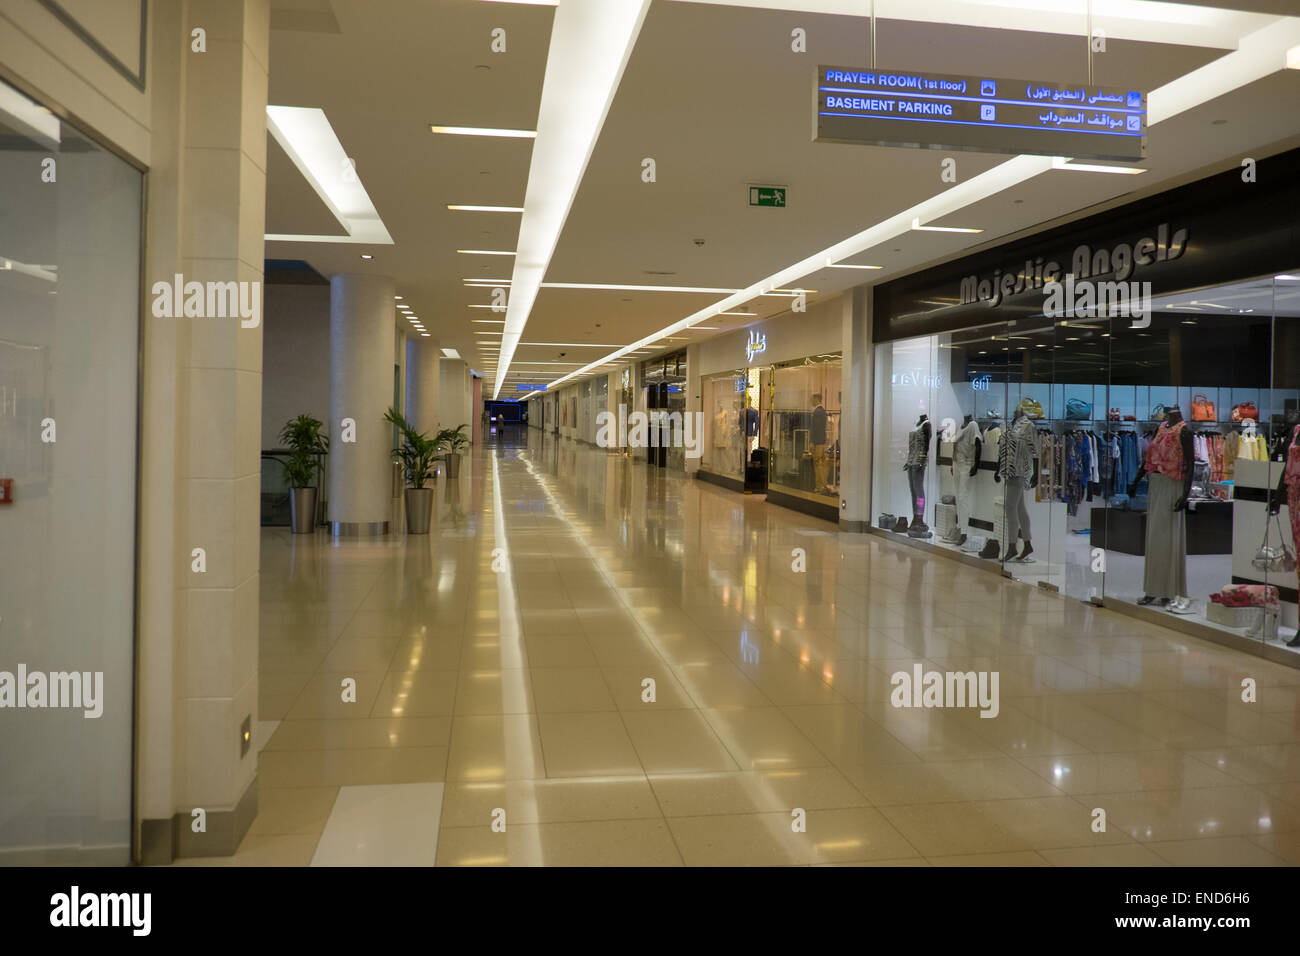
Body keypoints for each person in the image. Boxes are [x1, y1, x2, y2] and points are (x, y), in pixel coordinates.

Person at [811, 393, 828, 493]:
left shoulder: (817, 412)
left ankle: (820, 486)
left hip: (818, 442)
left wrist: (812, 441)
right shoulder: (823, 411)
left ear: (817, 399)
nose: (811, 401)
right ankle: (821, 485)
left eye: (813, 399)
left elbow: (816, 428)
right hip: (821, 440)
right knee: (820, 463)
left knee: (817, 464)